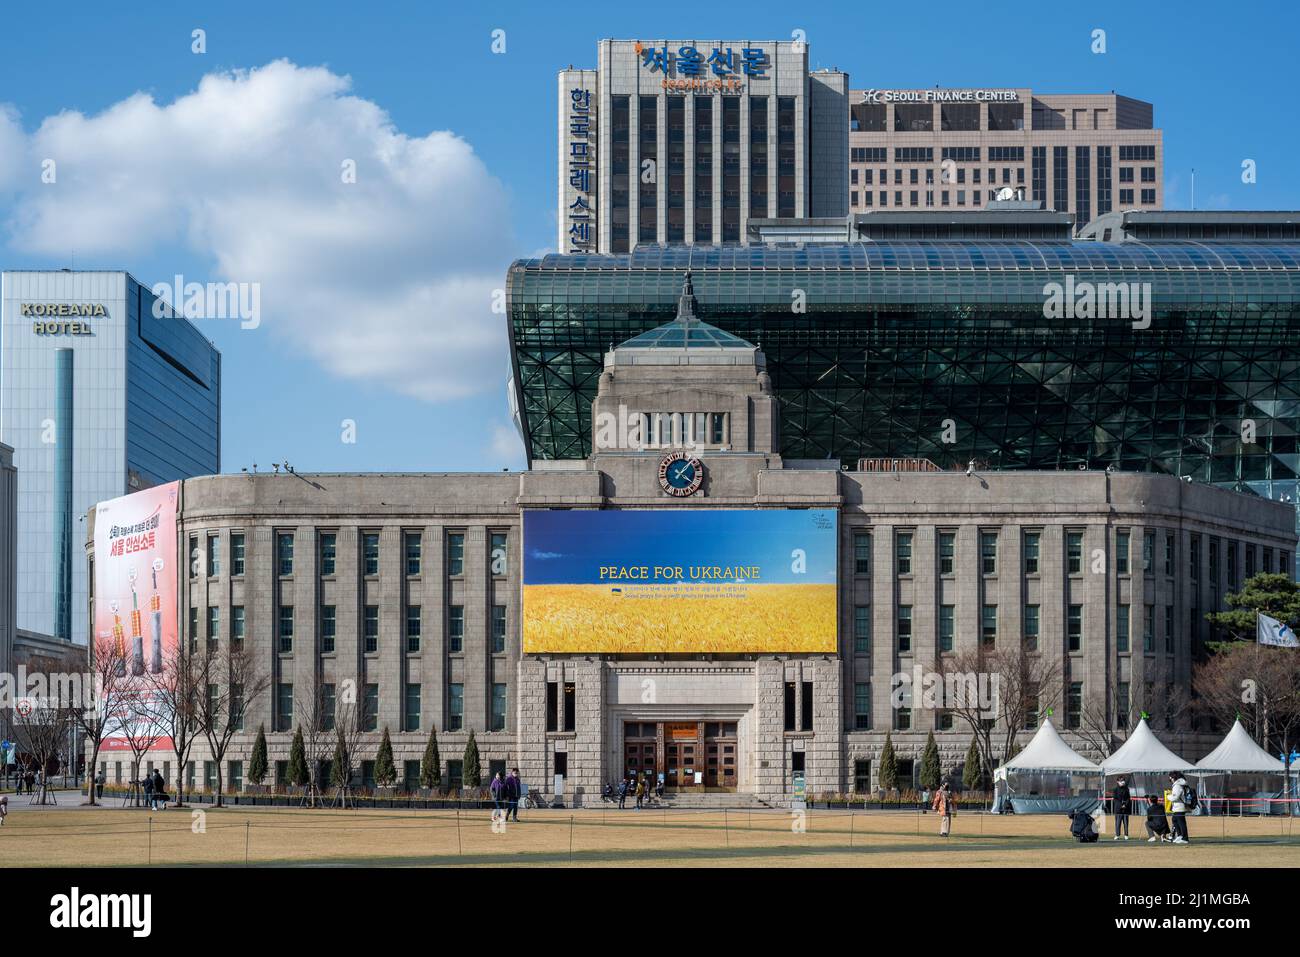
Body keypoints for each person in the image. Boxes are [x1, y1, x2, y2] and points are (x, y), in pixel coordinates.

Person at [1168, 771, 1191, 844]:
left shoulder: (1177, 785)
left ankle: (1185, 838)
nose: (1170, 779)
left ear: (1174, 777)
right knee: (1175, 820)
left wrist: (1168, 796)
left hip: (1179, 807)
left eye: (1170, 778)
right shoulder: (1178, 784)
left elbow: (1175, 797)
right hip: (1177, 807)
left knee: (1181, 823)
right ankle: (1180, 836)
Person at [1112, 776, 1132, 841]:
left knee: (1126, 822)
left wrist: (1125, 804)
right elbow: (1115, 799)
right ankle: (1117, 835)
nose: (1122, 782)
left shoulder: (1127, 789)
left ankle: (1126, 835)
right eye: (1121, 780)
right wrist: (1121, 805)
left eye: (1123, 780)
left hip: (1126, 809)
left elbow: (1128, 798)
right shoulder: (1115, 790)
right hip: (1118, 809)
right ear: (1117, 782)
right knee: (1118, 823)